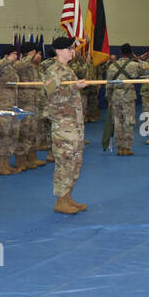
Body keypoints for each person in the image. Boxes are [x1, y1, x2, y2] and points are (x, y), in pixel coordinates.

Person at [43, 37, 87, 214]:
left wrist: (75, 86)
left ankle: (68, 196)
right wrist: (74, 87)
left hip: (74, 122)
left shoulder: (67, 69)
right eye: (69, 48)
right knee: (65, 162)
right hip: (63, 124)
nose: (72, 51)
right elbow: (51, 94)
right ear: (59, 51)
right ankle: (61, 201)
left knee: (76, 162)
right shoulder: (52, 71)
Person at [105, 44, 148, 155]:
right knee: (129, 122)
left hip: (115, 97)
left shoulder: (112, 66)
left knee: (118, 122)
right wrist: (138, 59)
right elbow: (148, 71)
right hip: (128, 96)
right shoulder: (134, 65)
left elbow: (108, 85)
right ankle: (127, 148)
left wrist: (109, 98)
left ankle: (119, 148)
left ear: (120, 52)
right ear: (130, 53)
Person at [0, 47, 21, 174]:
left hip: (12, 105)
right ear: (7, 55)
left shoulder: (12, 68)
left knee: (11, 135)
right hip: (1, 105)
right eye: (13, 53)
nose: (16, 56)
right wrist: (7, 60)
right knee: (2, 135)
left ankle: (5, 163)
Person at [14, 47, 44, 170]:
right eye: (36, 53)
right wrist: (30, 56)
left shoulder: (36, 66)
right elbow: (18, 66)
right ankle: (20, 160)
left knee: (33, 131)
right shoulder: (22, 64)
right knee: (24, 132)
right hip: (24, 103)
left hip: (35, 102)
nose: (38, 56)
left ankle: (32, 157)